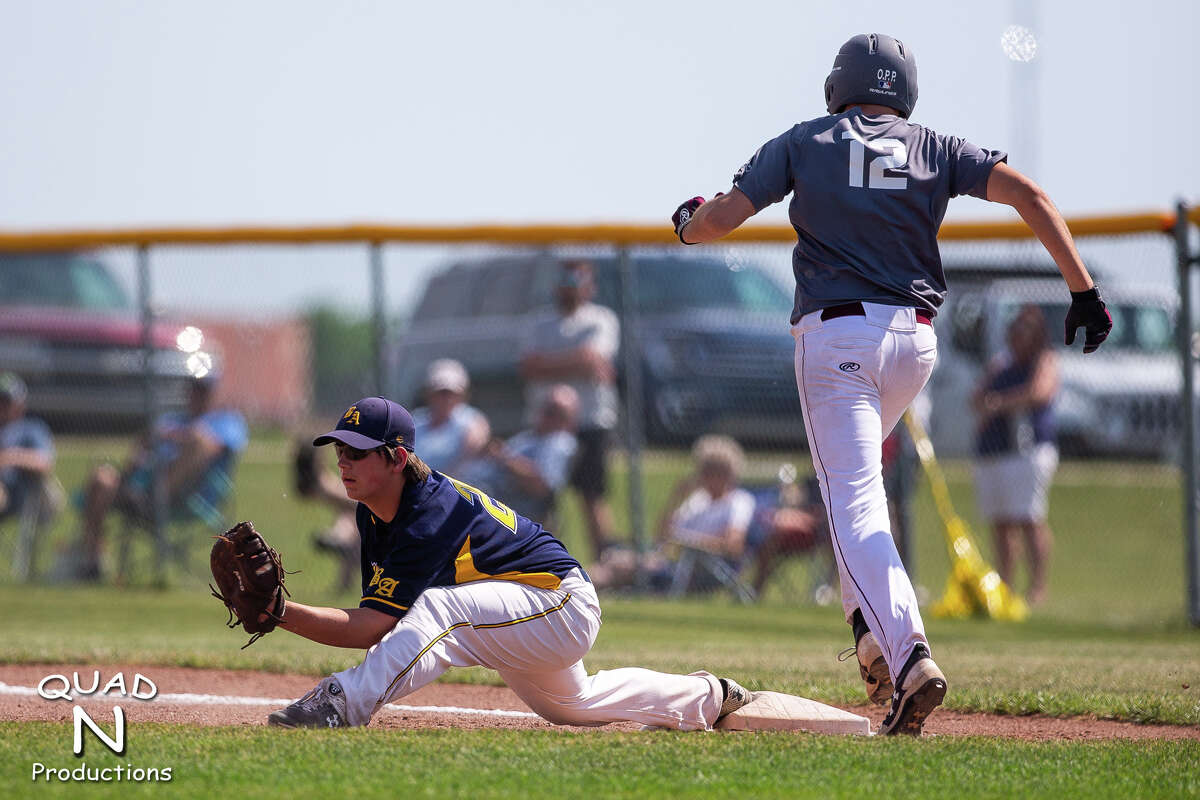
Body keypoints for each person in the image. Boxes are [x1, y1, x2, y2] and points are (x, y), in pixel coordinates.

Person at [670, 33, 1112, 735]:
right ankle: (873, 642)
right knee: (854, 500)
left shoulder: (807, 139)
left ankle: (908, 657)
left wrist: (689, 225)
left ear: (836, 85)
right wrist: (1082, 290)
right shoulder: (933, 144)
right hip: (914, 345)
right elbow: (1028, 192)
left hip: (838, 338)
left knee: (853, 508)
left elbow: (721, 219)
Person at [265, 396, 752, 730]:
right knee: (571, 705)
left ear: (396, 458)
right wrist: (279, 613)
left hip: (561, 603)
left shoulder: (429, 512)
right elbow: (372, 622)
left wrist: (278, 612)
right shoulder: (374, 514)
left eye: (358, 451)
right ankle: (709, 695)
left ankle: (341, 703)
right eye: (340, 450)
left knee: (438, 610)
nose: (343, 461)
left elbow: (370, 628)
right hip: (513, 610)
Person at [77, 372, 248, 580]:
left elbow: (212, 446)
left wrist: (174, 435)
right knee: (101, 478)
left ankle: (156, 499)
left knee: (199, 441)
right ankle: (91, 561)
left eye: (203, 391)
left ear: (213, 393)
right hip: (140, 486)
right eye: (193, 390)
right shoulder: (171, 419)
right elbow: (144, 443)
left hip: (191, 496)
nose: (197, 396)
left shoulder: (227, 421)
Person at [519, 260, 620, 561]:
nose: (570, 288)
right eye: (565, 280)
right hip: (545, 426)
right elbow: (528, 366)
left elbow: (594, 358)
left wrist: (549, 363)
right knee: (540, 497)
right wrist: (579, 361)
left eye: (578, 280)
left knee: (593, 496)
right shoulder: (538, 323)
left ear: (591, 286)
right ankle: (543, 564)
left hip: (590, 422)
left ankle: (606, 568)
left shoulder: (600, 319)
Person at [589, 435, 756, 595]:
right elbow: (661, 533)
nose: (701, 475)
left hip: (696, 567)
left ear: (725, 473)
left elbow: (732, 545)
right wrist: (676, 498)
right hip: (669, 559)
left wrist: (687, 543)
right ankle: (573, 594)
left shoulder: (739, 502)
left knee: (617, 566)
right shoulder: (698, 500)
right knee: (611, 559)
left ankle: (571, 594)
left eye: (709, 470)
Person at [971, 304, 1059, 606]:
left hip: (1029, 450)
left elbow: (1038, 392)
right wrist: (993, 402)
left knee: (1029, 517)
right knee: (1001, 521)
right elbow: (977, 399)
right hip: (997, 451)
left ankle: (1037, 587)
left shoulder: (1043, 361)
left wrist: (998, 404)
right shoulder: (1001, 364)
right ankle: (1004, 586)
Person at [456, 384, 580, 525]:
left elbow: (541, 485)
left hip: (502, 509)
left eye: (555, 412)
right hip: (475, 492)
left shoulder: (559, 443)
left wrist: (505, 459)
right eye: (546, 409)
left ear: (569, 419)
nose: (547, 415)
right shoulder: (529, 437)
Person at [0, 373, 61, 576]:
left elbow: (44, 462)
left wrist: (11, 457)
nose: (2, 407)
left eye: (6, 401)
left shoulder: (31, 429)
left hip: (17, 493)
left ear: (19, 404)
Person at [410, 359, 491, 475]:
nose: (446, 398)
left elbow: (471, 451)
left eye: (451, 393)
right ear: (428, 393)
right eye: (441, 392)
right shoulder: (416, 420)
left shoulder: (471, 420)